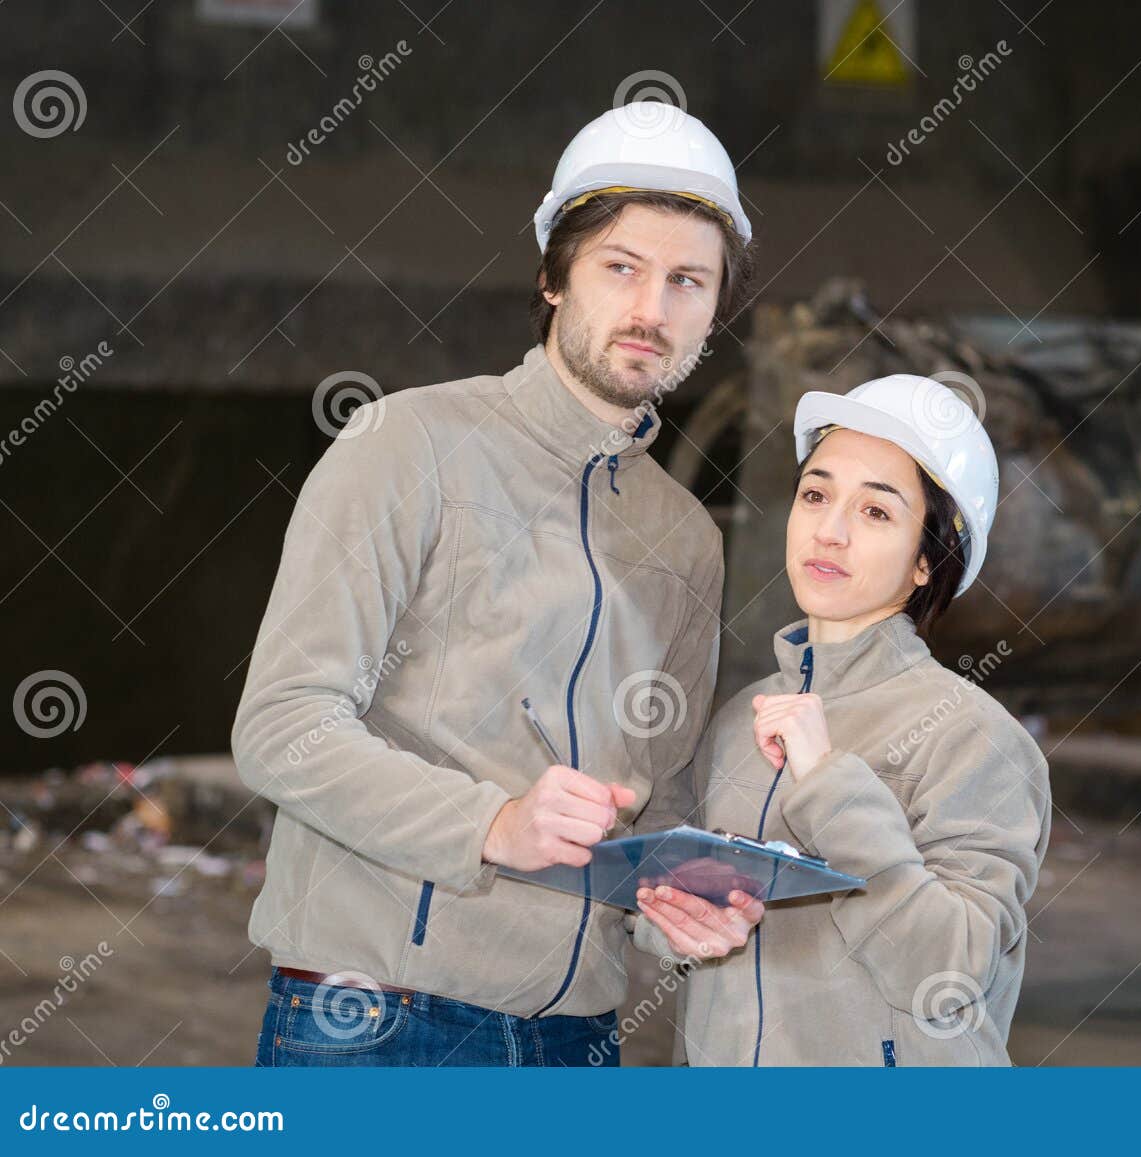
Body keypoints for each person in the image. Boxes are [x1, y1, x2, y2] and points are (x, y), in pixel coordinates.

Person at [233, 99, 755, 1066]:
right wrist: (492, 824)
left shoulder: (685, 537)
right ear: (555, 277)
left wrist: (677, 904)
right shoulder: (408, 446)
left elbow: (661, 795)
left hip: (578, 1038)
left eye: (689, 281)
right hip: (378, 1021)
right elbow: (282, 726)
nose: (653, 310)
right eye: (621, 268)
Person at [637, 374, 1052, 1065]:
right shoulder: (740, 718)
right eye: (816, 495)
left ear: (926, 560)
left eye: (876, 512)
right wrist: (667, 920)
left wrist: (830, 785)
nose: (830, 530)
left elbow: (949, 972)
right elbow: (688, 919)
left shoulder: (975, 736)